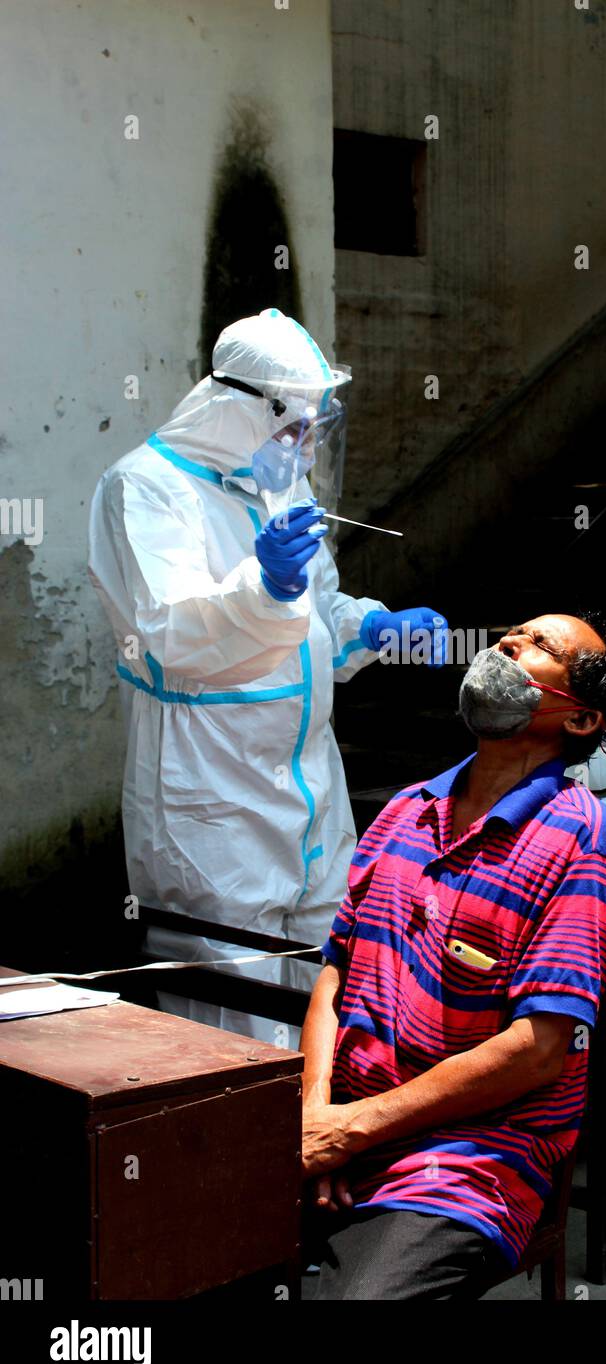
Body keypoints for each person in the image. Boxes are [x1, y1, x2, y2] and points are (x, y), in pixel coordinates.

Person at [88, 308, 447, 1047]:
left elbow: (313, 611)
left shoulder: (280, 483)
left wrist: (366, 628)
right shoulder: (146, 489)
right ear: (234, 407)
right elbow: (167, 637)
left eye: (313, 430)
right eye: (291, 429)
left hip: (310, 784)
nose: (304, 447)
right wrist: (266, 590)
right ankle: (242, 1160)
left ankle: (327, 1146)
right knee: (233, 1001)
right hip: (210, 790)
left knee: (330, 978)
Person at [300, 611, 606, 1299]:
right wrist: (317, 1115)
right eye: (509, 633)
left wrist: (353, 1131)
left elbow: (541, 1049)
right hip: (341, 1125)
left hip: (467, 1159)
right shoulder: (403, 812)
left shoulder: (586, 841)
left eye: (539, 646)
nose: (509, 643)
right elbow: (335, 974)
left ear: (580, 721)